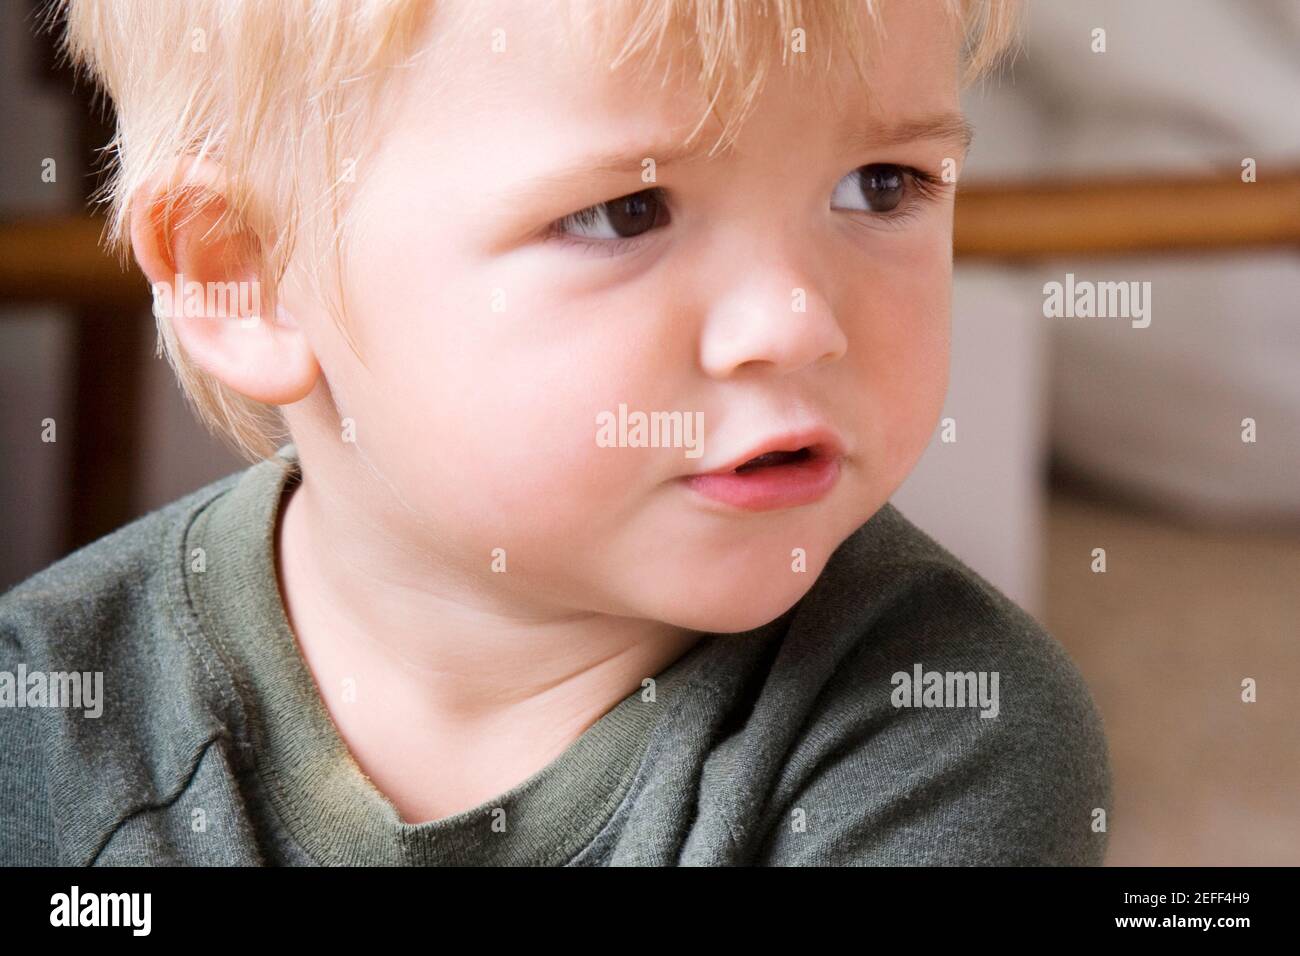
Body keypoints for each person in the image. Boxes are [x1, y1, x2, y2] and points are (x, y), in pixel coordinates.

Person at [0, 0, 1110, 865]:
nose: (796, 320)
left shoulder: (948, 728)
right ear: (243, 276)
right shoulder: (46, 720)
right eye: (626, 211)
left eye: (882, 184)